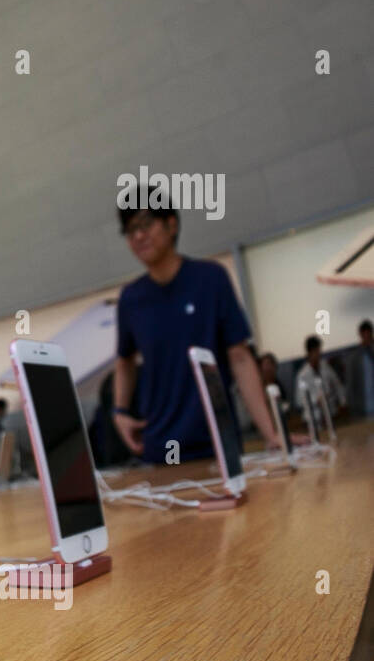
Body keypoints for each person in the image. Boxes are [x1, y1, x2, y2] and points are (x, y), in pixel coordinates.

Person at [112, 188, 279, 462]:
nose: (138, 236)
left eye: (145, 224)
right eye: (130, 231)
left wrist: (271, 435)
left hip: (217, 445)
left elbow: (240, 359)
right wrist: (120, 412)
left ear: (171, 223)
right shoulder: (131, 299)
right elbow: (124, 361)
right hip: (160, 450)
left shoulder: (211, 279)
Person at [295, 335, 346, 416]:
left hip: (331, 412)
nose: (318, 354)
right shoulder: (302, 375)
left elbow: (337, 384)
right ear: (309, 353)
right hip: (314, 416)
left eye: (319, 350)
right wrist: (316, 400)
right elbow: (299, 401)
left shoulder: (325, 367)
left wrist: (343, 402)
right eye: (315, 351)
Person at [345, 320, 374, 418]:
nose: (367, 338)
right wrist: (353, 407)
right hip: (362, 407)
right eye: (365, 335)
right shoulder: (354, 358)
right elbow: (350, 384)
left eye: (369, 335)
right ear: (360, 335)